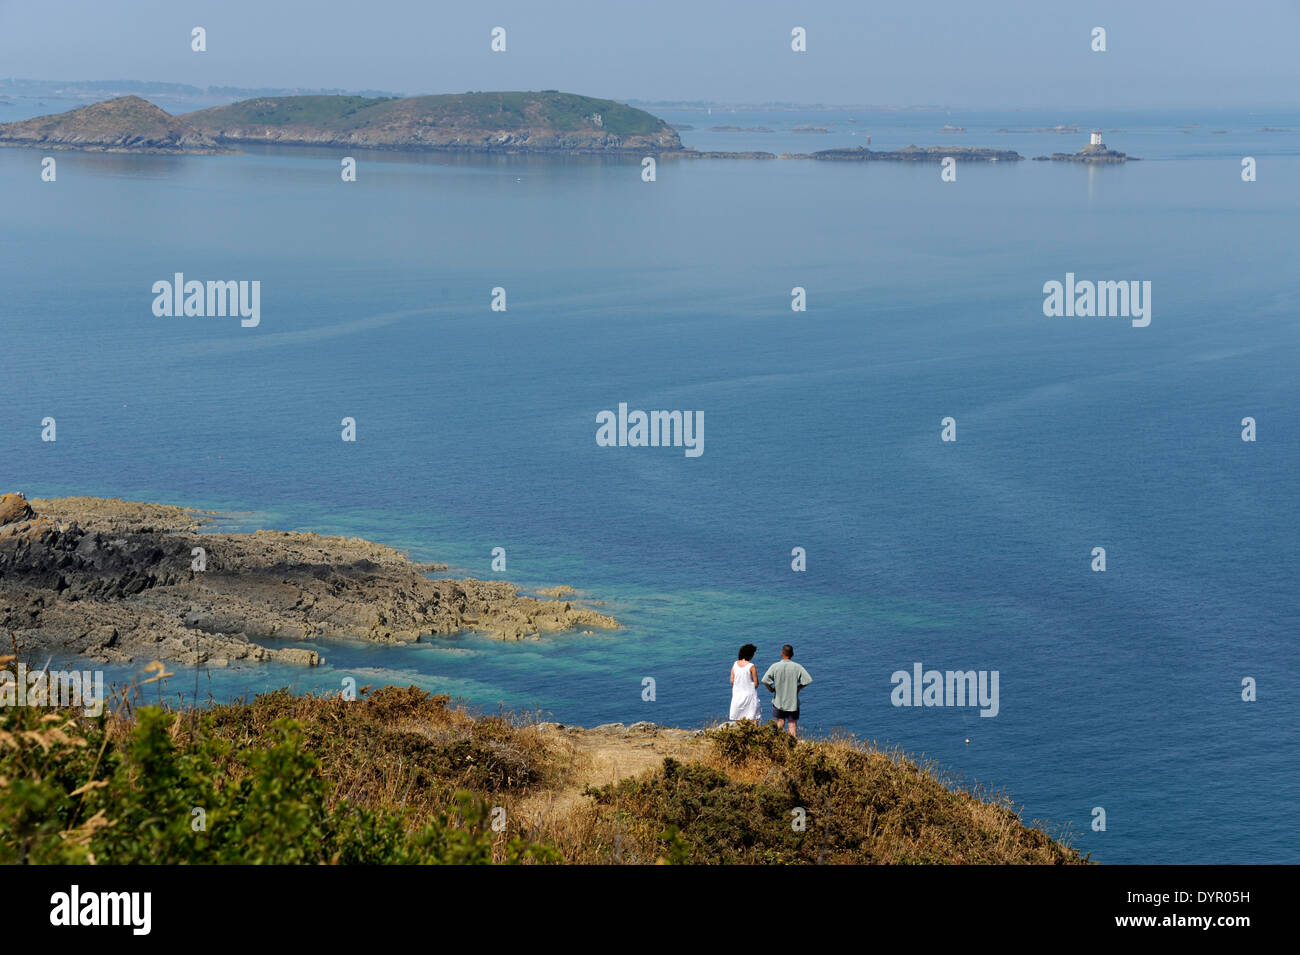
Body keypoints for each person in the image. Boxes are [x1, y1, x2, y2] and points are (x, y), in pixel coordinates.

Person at [761, 644, 812, 737]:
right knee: (792, 724)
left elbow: (765, 680)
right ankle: (792, 746)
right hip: (792, 702)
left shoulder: (775, 666)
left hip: (778, 701)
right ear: (792, 654)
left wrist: (771, 689)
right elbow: (808, 680)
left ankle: (778, 743)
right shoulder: (797, 667)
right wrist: (799, 688)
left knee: (780, 721)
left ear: (782, 653)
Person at [729, 644, 761, 721]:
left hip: (737, 696)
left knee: (739, 718)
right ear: (750, 654)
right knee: (753, 718)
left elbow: (732, 681)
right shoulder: (751, 666)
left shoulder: (735, 664)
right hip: (750, 696)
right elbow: (756, 684)